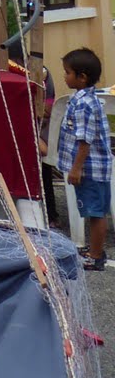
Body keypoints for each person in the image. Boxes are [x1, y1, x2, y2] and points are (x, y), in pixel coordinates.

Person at [57, 47, 112, 271]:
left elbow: (84, 139)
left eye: (68, 72)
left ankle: (95, 256)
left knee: (96, 212)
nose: (64, 76)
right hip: (93, 168)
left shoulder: (83, 104)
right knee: (94, 209)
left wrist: (76, 169)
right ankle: (94, 249)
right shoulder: (86, 99)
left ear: (82, 77)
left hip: (90, 169)